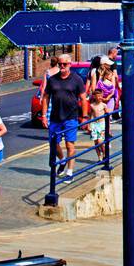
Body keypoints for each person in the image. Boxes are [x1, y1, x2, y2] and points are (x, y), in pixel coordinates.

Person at [40, 54, 87, 186]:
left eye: (64, 64)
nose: (62, 66)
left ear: (70, 64)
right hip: (55, 117)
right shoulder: (53, 80)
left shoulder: (76, 79)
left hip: (71, 117)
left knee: (69, 145)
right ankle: (62, 160)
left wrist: (84, 117)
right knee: (53, 144)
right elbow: (46, 97)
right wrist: (44, 115)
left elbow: (83, 98)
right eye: (60, 64)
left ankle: (70, 173)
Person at [86, 88, 107, 162]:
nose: (100, 97)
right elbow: (90, 116)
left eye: (101, 96)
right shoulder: (92, 105)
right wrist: (89, 125)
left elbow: (107, 116)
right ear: (94, 97)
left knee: (100, 141)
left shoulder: (104, 105)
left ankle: (105, 154)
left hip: (102, 124)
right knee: (95, 142)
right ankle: (99, 156)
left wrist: (108, 128)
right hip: (94, 124)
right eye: (98, 96)